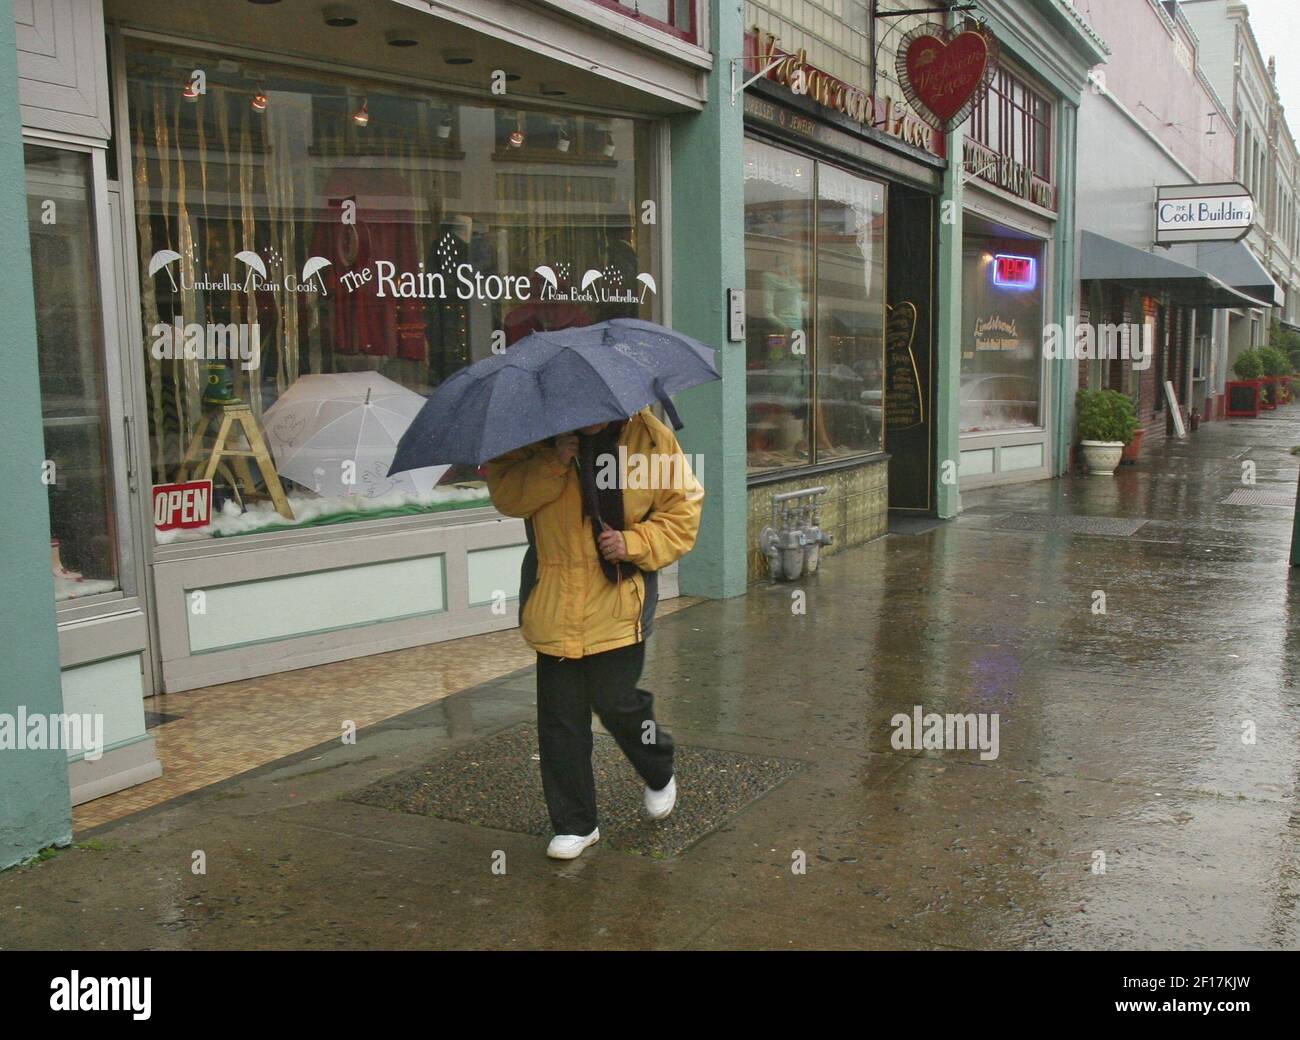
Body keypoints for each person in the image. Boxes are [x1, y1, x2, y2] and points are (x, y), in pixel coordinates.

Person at [486, 408, 704, 859]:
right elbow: (507, 496)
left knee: (616, 702)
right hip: (555, 598)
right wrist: (554, 461)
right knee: (561, 721)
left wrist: (635, 542)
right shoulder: (537, 435)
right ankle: (576, 824)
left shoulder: (648, 438)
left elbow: (681, 513)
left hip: (619, 596)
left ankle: (657, 765)